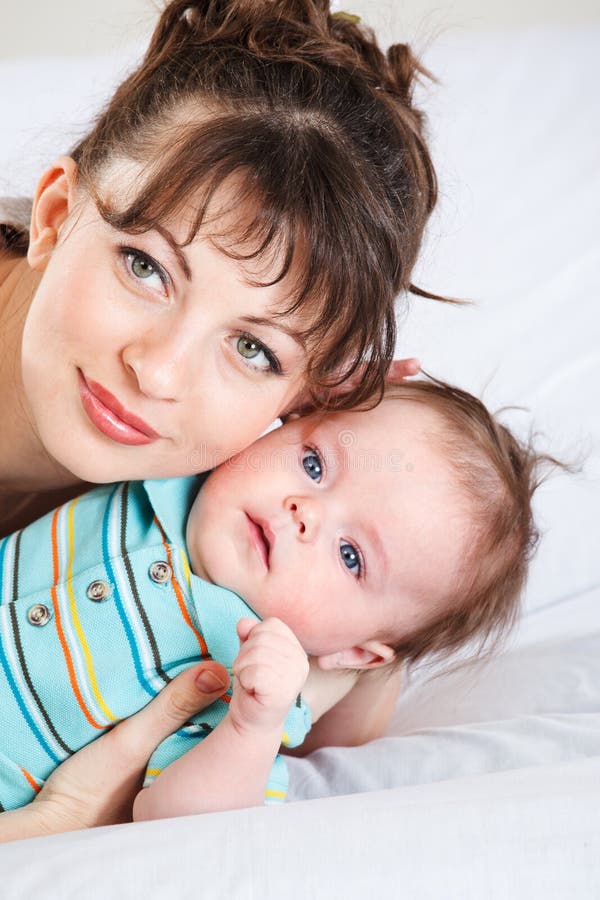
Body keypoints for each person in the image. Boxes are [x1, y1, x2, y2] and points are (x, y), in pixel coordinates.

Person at [0, 0, 445, 836]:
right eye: (145, 267)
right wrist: (59, 820)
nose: (159, 371)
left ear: (308, 397)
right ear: (55, 215)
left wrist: (371, 601)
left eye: (253, 350)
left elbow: (344, 720)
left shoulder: (231, 504)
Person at [0, 378, 547, 821]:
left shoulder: (245, 680)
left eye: (350, 556)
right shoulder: (177, 458)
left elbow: (171, 821)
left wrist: (250, 730)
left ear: (356, 652)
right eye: (314, 464)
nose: (304, 512)